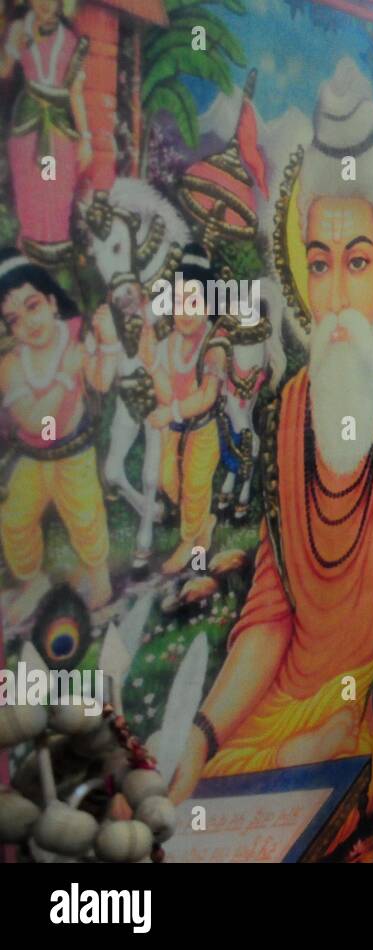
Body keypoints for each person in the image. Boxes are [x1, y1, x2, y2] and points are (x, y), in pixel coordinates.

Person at [168, 61, 373, 839]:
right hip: (295, 691)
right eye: (318, 262)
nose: (335, 295)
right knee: (206, 797)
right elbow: (271, 611)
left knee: (315, 778)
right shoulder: (290, 408)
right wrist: (200, 739)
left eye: (358, 262)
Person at [0, 251, 114, 623]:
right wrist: (65, 377)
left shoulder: (75, 339)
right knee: (15, 519)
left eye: (33, 306)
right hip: (33, 457)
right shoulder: (13, 365)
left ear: (51, 302)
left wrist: (108, 344)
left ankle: (99, 578)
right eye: (14, 319)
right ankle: (32, 581)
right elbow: (35, 421)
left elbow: (101, 381)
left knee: (85, 517)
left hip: (73, 453)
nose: (28, 323)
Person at [146, 244, 226, 575]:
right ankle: (202, 523)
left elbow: (207, 397)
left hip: (204, 429)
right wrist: (152, 365)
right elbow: (163, 389)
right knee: (168, 482)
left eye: (195, 303)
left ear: (209, 306)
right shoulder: (168, 344)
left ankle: (191, 543)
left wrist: (172, 412)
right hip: (175, 430)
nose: (185, 311)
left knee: (195, 485)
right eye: (180, 302)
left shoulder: (214, 346)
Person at [0, 0, 91, 270]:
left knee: (54, 186)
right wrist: (11, 43)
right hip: (28, 125)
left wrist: (85, 138)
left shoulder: (71, 39)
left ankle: (55, 264)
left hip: (58, 129)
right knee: (31, 191)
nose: (45, 5)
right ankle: (27, 262)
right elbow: (4, 70)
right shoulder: (20, 28)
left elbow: (75, 91)